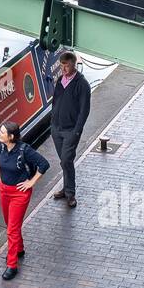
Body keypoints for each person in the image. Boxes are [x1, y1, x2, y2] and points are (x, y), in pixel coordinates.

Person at [0, 120, 48, 281]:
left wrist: (31, 182)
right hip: (4, 190)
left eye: (2, 132)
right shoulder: (1, 146)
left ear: (11, 136)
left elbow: (44, 164)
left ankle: (12, 265)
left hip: (19, 194)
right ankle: (19, 249)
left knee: (11, 230)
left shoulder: (25, 150)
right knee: (11, 225)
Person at [49, 51, 90, 209]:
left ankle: (70, 193)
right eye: (61, 65)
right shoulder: (60, 80)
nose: (63, 69)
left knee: (67, 160)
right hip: (57, 129)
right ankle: (66, 189)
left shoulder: (82, 84)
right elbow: (56, 102)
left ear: (73, 64)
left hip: (71, 130)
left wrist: (77, 131)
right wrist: (53, 124)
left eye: (66, 65)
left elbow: (84, 110)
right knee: (64, 161)